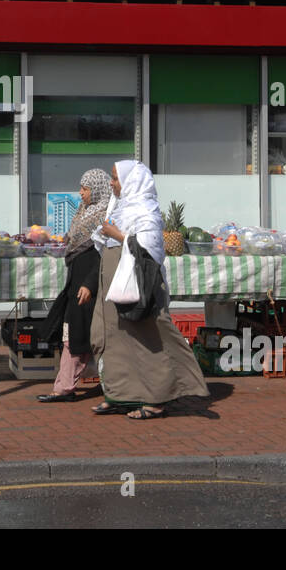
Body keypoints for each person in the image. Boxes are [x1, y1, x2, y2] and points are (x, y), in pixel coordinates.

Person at [89, 160, 209, 420]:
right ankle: (119, 394)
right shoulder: (120, 207)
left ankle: (157, 399)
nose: (112, 184)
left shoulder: (145, 210)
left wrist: (118, 235)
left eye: (116, 179)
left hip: (135, 285)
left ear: (132, 182)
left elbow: (148, 249)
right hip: (113, 285)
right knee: (110, 338)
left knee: (146, 339)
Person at [35, 168, 110, 403]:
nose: (81, 194)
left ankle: (66, 388)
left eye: (85, 189)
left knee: (82, 336)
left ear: (97, 190)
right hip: (76, 281)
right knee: (76, 334)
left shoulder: (106, 215)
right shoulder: (84, 211)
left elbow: (103, 253)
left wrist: (89, 284)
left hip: (90, 285)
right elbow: (74, 238)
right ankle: (68, 386)